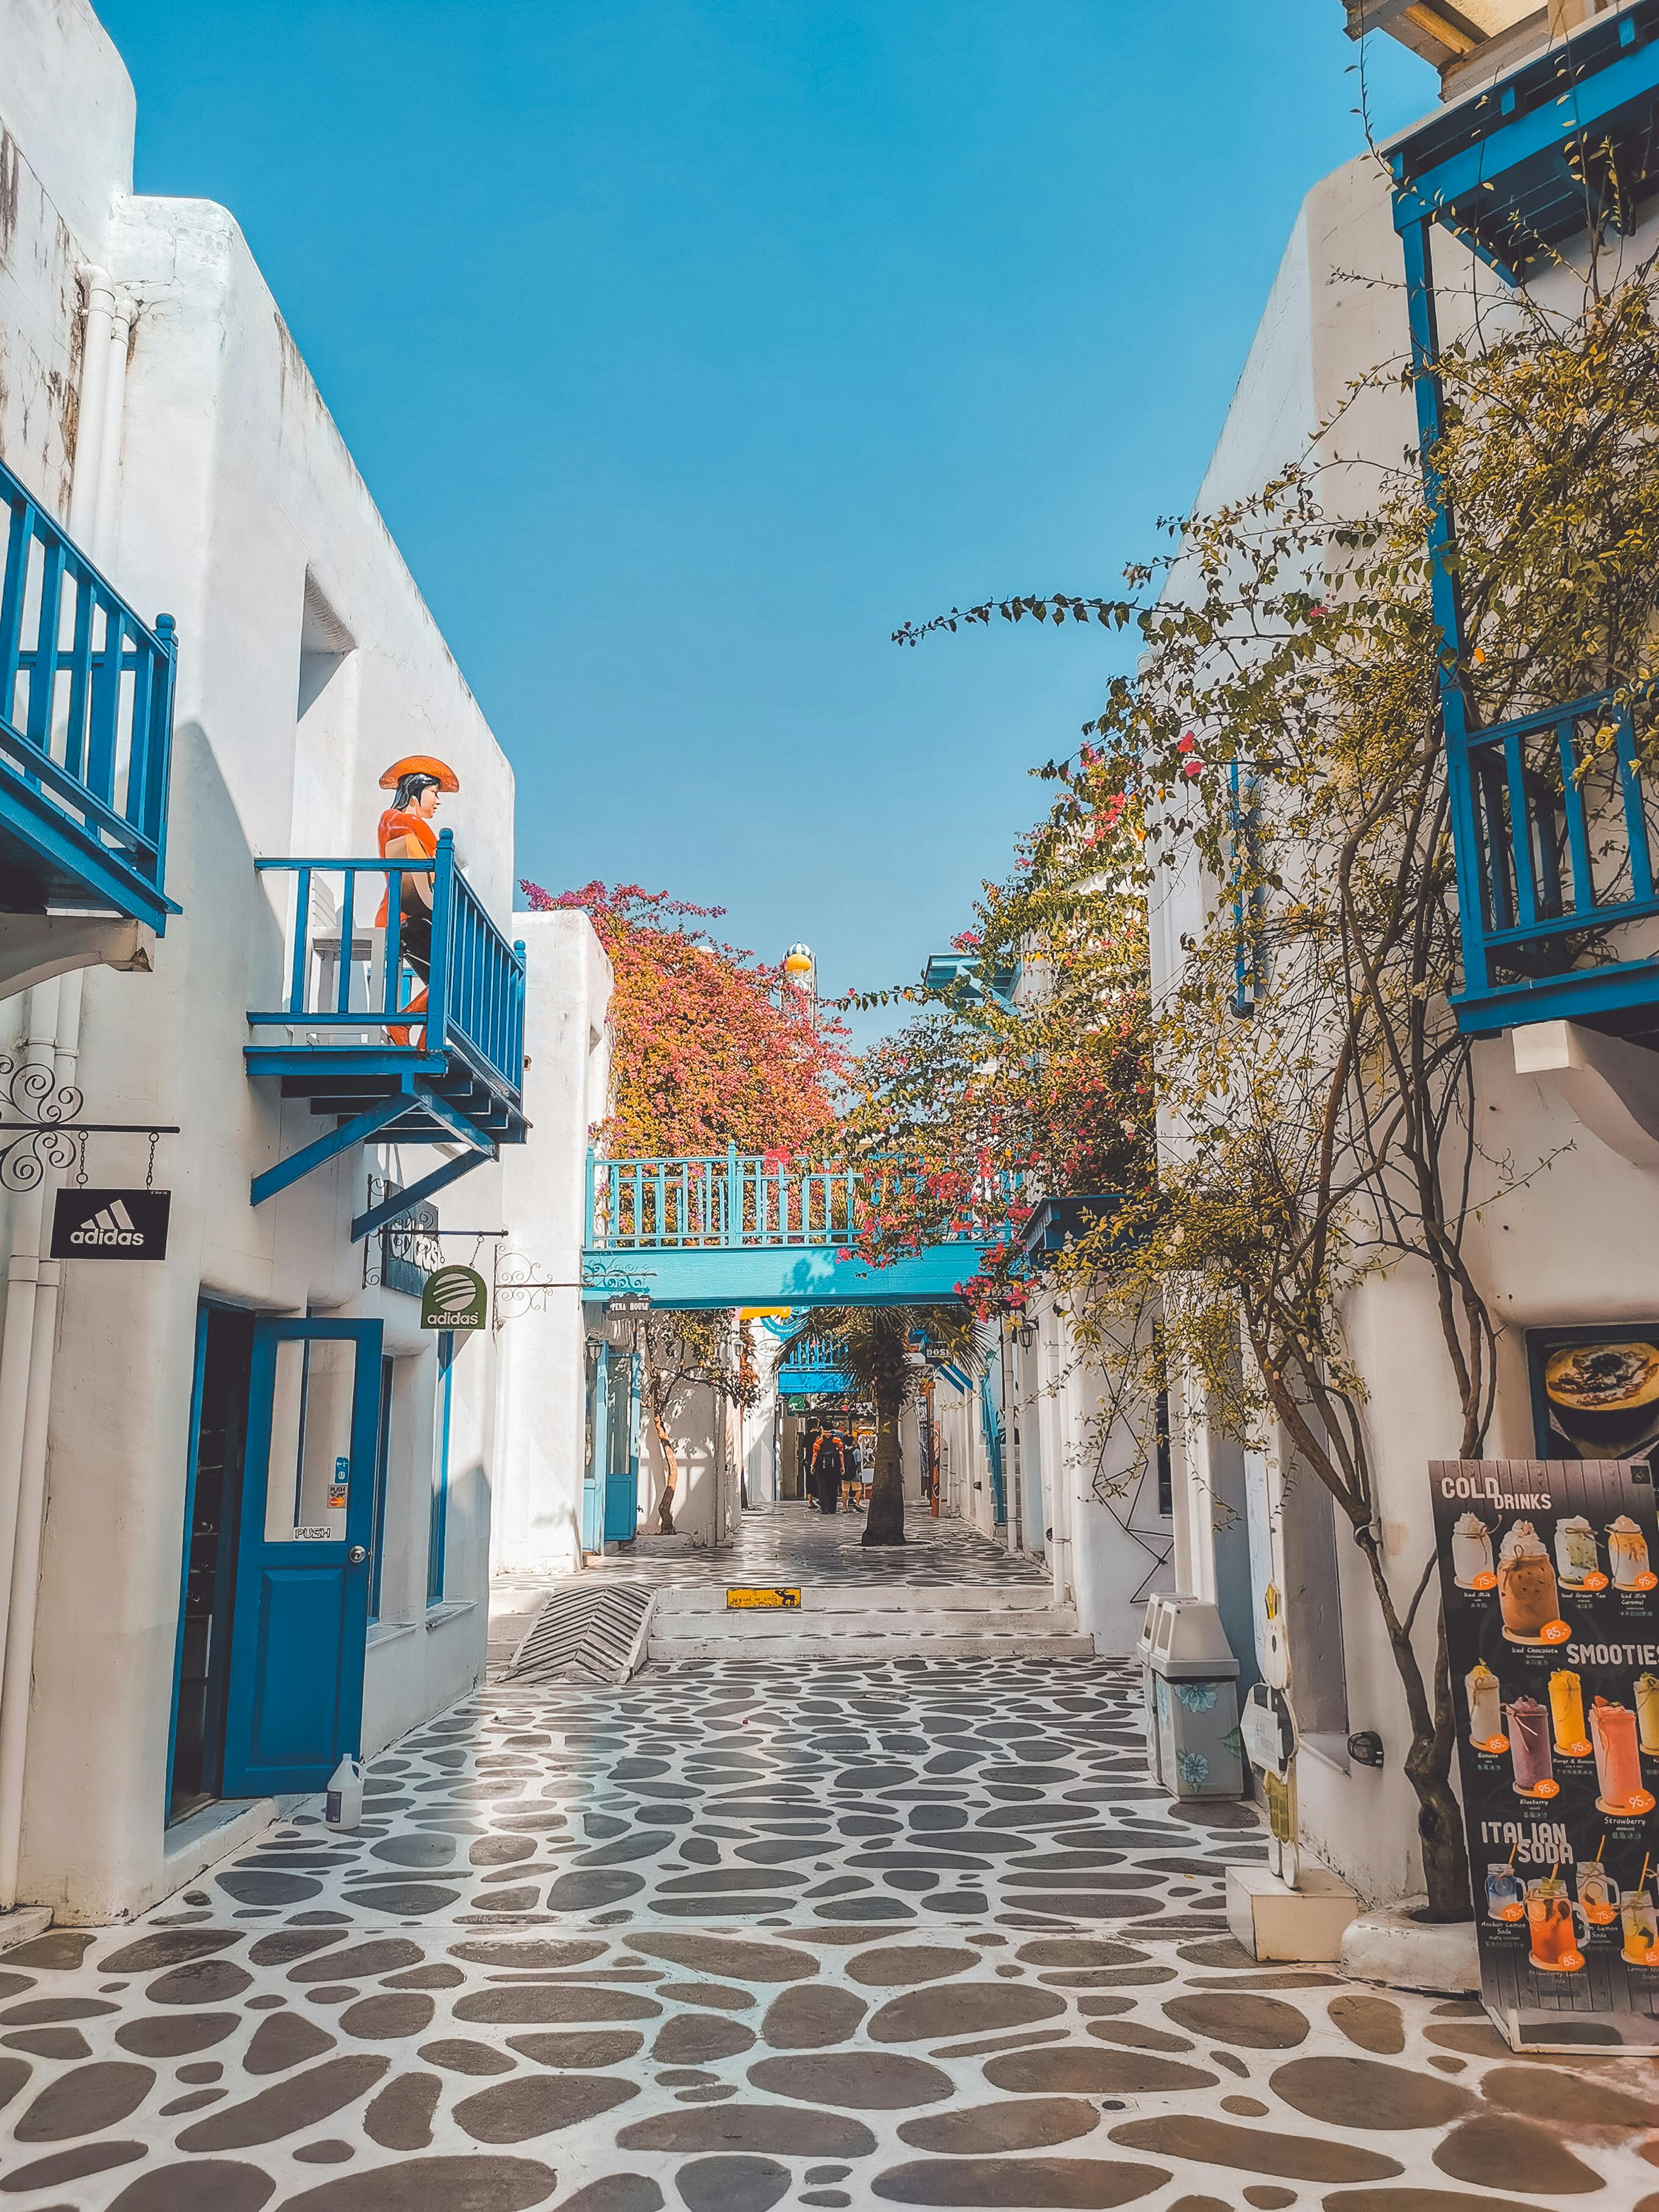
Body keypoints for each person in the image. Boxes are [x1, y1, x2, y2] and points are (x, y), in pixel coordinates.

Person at [375, 754, 458, 1045]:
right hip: (402, 919)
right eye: (434, 793)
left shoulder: (404, 822)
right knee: (452, 974)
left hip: (410, 918)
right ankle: (405, 1024)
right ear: (415, 790)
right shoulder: (395, 819)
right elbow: (435, 850)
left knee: (451, 979)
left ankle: (422, 1041)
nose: (437, 801)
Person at [809, 1426, 843, 1515]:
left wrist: (812, 1465)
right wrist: (842, 1466)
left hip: (821, 1465)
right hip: (834, 1465)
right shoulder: (837, 1440)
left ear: (823, 1429)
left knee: (822, 1487)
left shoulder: (819, 1440)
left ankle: (825, 1508)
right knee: (834, 1487)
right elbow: (841, 1453)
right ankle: (833, 1509)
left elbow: (815, 1454)